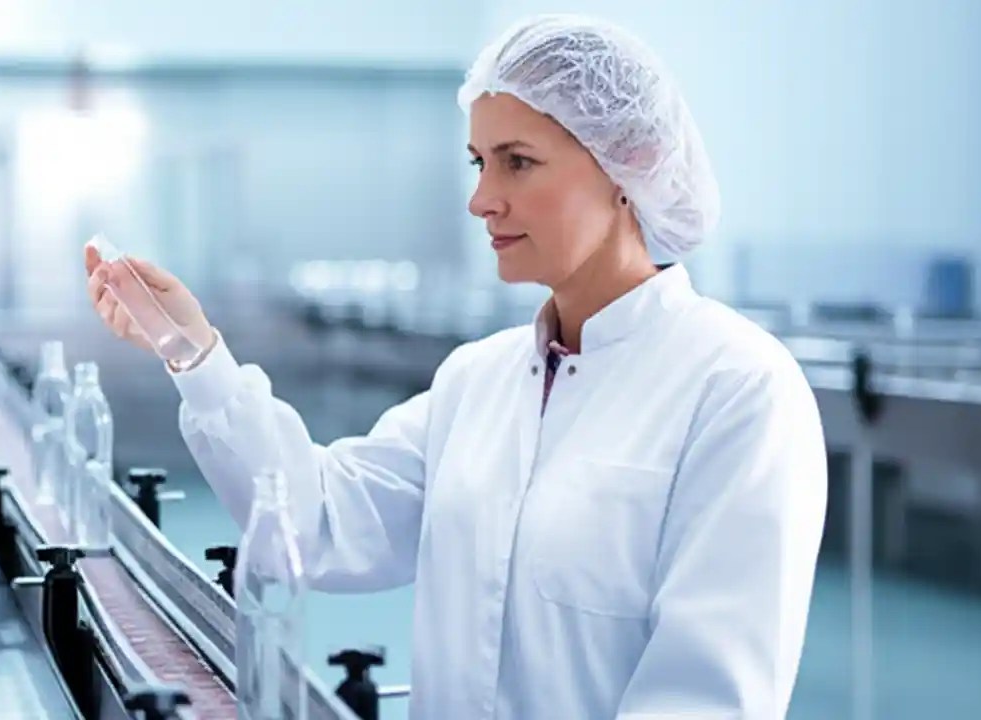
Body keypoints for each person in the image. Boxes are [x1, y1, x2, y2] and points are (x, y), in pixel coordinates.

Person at [84, 14, 826, 720]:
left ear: (627, 164)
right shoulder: (480, 379)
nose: (481, 199)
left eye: (518, 162)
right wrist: (194, 352)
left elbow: (703, 700)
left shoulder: (737, 389)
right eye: (479, 162)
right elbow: (316, 521)